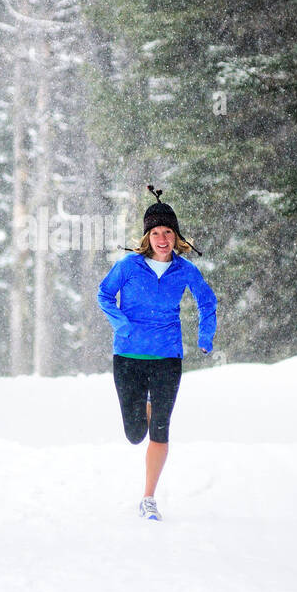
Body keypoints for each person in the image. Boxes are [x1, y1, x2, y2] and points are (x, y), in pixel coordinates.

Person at [97, 185, 217, 521]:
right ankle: (145, 408)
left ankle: (148, 498)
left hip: (168, 359)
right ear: (147, 236)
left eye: (167, 232)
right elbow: (104, 295)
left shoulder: (185, 270)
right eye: (155, 233)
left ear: (176, 236)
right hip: (129, 358)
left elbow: (208, 301)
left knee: (160, 429)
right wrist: (122, 325)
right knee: (135, 434)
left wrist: (205, 335)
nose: (161, 239)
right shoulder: (129, 266)